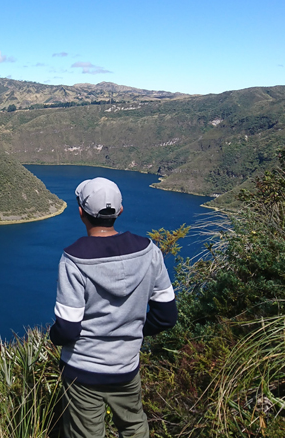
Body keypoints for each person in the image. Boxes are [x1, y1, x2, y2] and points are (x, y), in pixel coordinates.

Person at [49, 177, 178, 438]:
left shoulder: (74, 259)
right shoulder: (149, 251)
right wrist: (132, 332)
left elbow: (68, 329)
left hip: (82, 372)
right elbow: (166, 316)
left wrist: (53, 338)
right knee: (134, 428)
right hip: (126, 367)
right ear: (119, 211)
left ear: (81, 213)